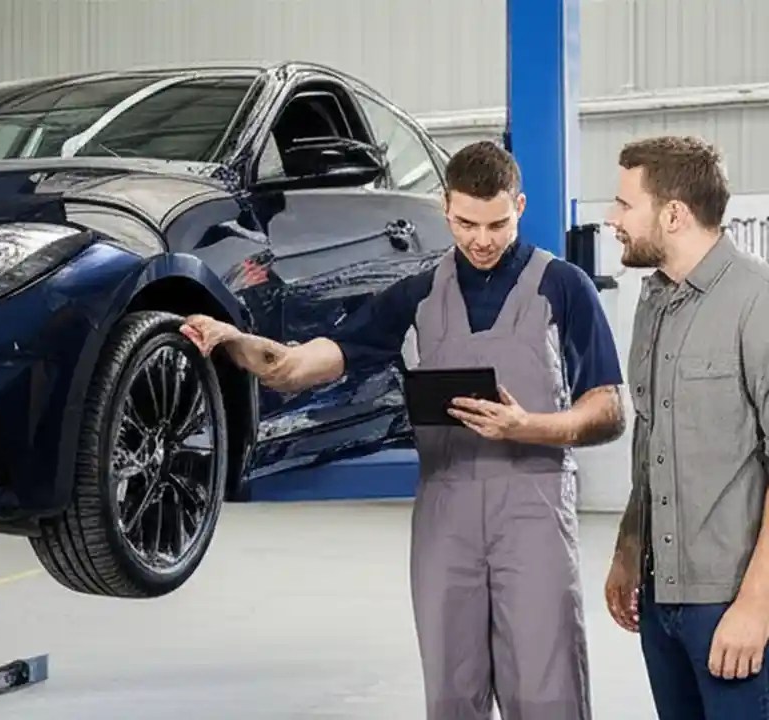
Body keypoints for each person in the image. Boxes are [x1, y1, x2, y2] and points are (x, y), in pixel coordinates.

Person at [181, 140, 625, 719]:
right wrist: (233, 339)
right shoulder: (414, 295)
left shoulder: (564, 287)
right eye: (466, 223)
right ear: (446, 209)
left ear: (519, 205)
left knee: (548, 693)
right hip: (446, 511)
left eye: (497, 223)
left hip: (535, 506)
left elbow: (610, 410)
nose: (482, 239)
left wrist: (529, 425)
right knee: (450, 693)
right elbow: (293, 367)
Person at [603, 135, 769, 719]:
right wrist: (629, 551)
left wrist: (757, 605)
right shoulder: (653, 301)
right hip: (660, 595)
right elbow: (652, 443)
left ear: (672, 214)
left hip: (731, 603)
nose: (611, 218)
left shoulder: (758, 301)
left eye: (625, 205)